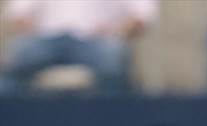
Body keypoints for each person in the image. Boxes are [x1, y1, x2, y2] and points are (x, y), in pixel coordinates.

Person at [0, 0, 157, 93]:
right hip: (46, 38)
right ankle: (9, 120)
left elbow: (141, 17)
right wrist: (34, 32)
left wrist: (115, 31)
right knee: (20, 52)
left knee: (113, 55)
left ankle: (113, 118)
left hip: (98, 42)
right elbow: (19, 15)